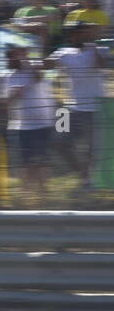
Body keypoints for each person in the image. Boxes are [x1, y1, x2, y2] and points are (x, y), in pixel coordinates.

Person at [45, 17, 110, 187]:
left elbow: (99, 65)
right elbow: (46, 65)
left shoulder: (99, 50)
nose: (80, 35)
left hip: (95, 108)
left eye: (84, 31)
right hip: (68, 108)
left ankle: (87, 181)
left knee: (91, 148)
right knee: (57, 142)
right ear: (71, 35)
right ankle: (82, 174)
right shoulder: (63, 52)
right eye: (77, 32)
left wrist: (92, 43)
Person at [0, 46, 55, 199]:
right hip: (20, 125)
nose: (12, 59)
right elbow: (4, 103)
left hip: (43, 123)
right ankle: (26, 191)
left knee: (41, 159)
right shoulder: (6, 76)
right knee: (25, 161)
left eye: (15, 55)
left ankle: (43, 191)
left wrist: (25, 59)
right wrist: (13, 95)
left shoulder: (33, 70)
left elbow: (38, 76)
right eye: (10, 56)